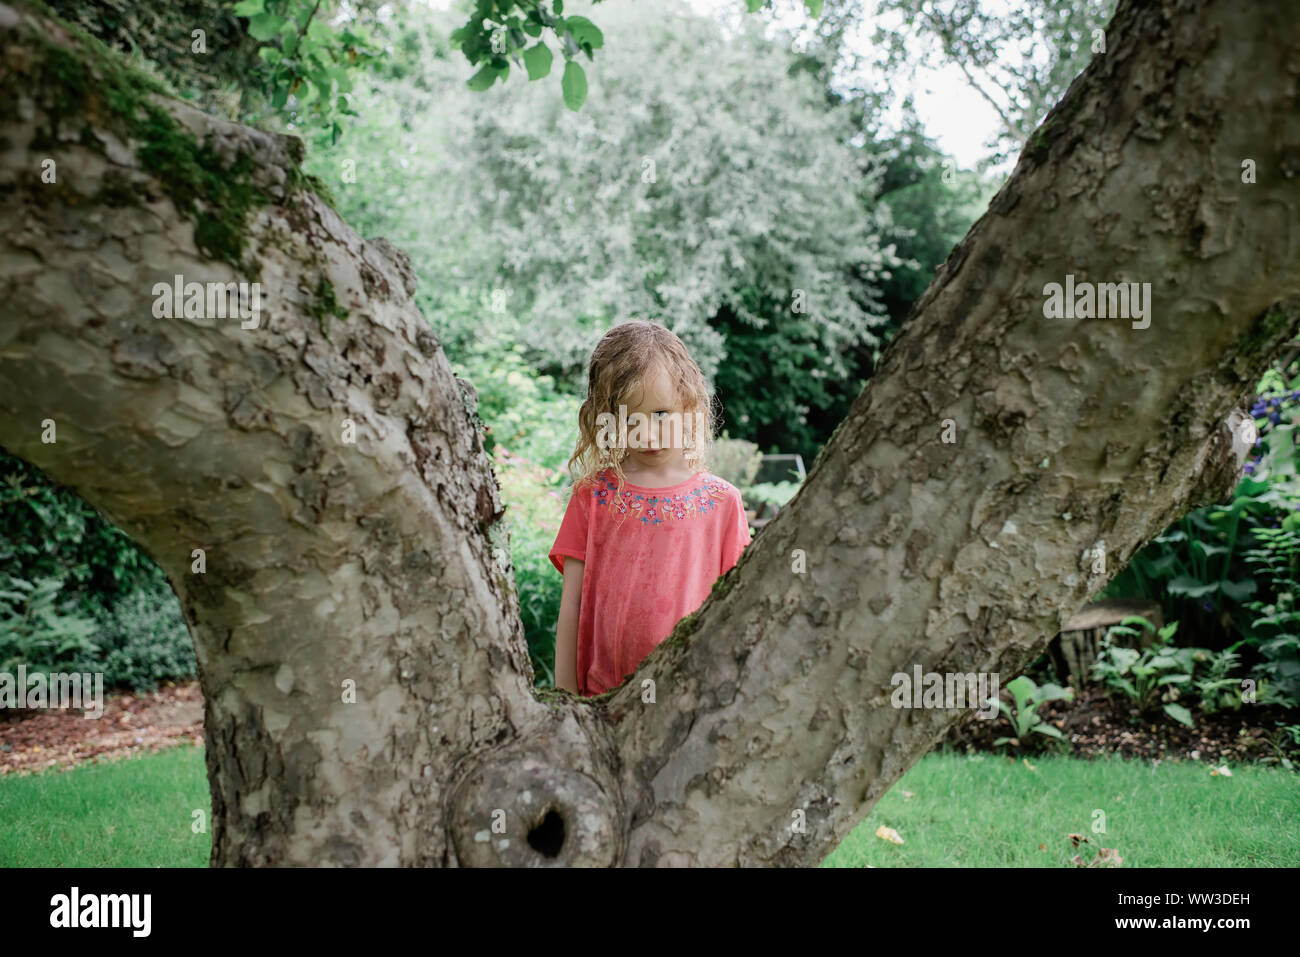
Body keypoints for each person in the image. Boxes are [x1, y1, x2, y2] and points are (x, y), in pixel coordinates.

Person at [548, 320, 752, 698]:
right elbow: (572, 605)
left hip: (687, 701)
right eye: (629, 418)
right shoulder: (591, 497)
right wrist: (565, 700)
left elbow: (735, 613)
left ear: (689, 407)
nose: (648, 433)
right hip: (602, 701)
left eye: (661, 414)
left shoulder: (722, 504)